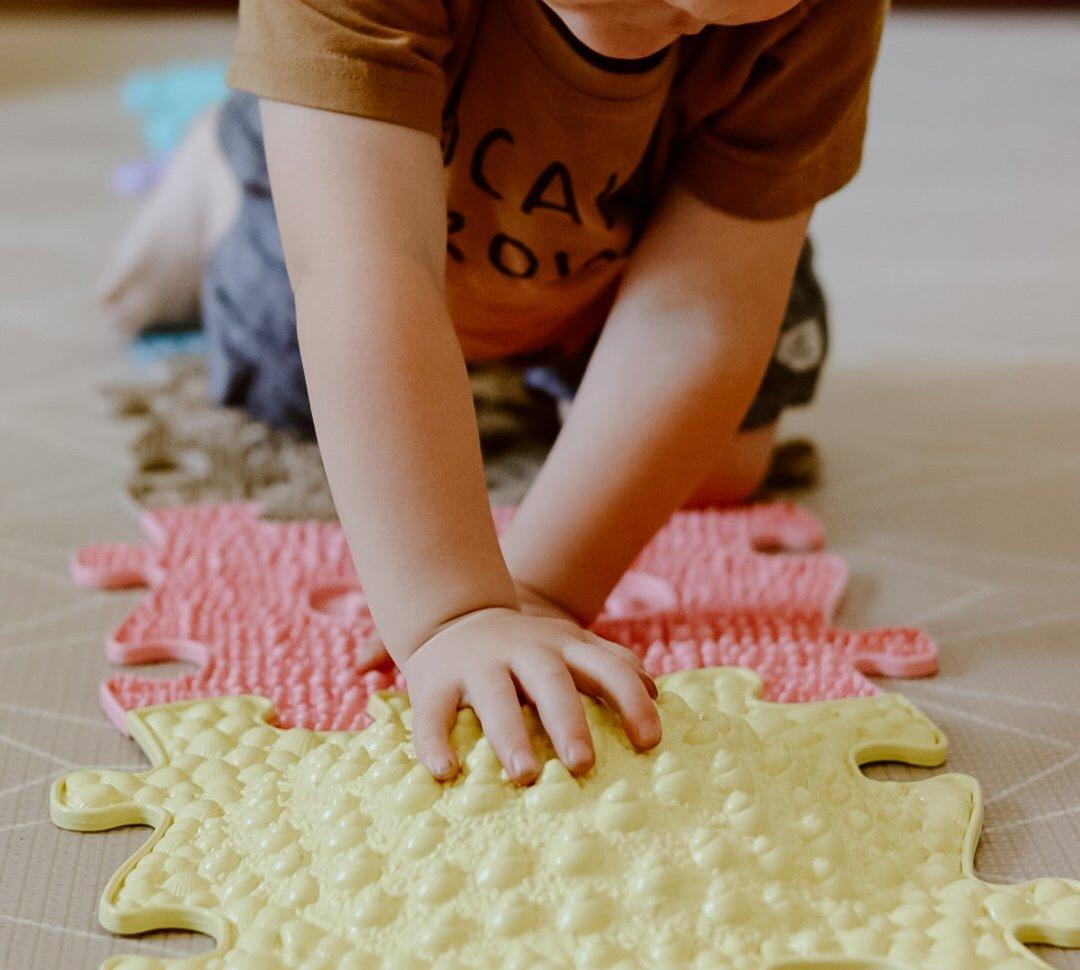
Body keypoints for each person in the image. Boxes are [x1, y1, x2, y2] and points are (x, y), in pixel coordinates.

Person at [100, 0, 885, 784]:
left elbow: (698, 312)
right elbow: (366, 274)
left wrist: (543, 585)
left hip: (635, 222)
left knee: (727, 465)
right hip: (371, 180)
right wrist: (456, 611)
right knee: (287, 379)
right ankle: (227, 151)